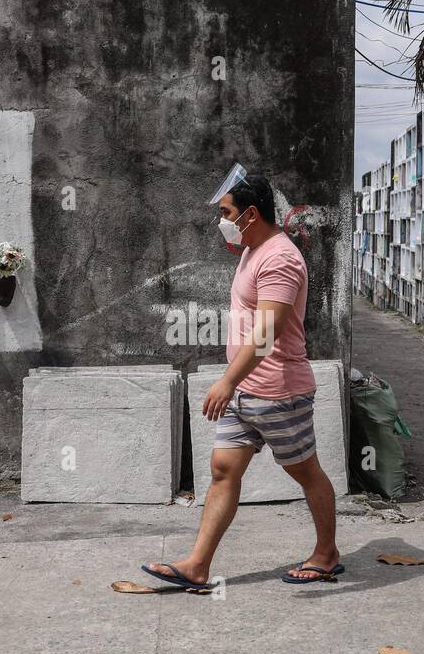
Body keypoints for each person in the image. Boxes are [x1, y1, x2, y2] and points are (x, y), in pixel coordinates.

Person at [141, 173, 340, 588]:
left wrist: (226, 381)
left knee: (307, 474)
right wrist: (235, 384)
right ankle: (197, 565)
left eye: (226, 213)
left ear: (250, 214)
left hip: (280, 392)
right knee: (222, 471)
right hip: (246, 391)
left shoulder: (280, 259)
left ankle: (326, 553)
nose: (222, 221)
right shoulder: (254, 250)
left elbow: (266, 333)